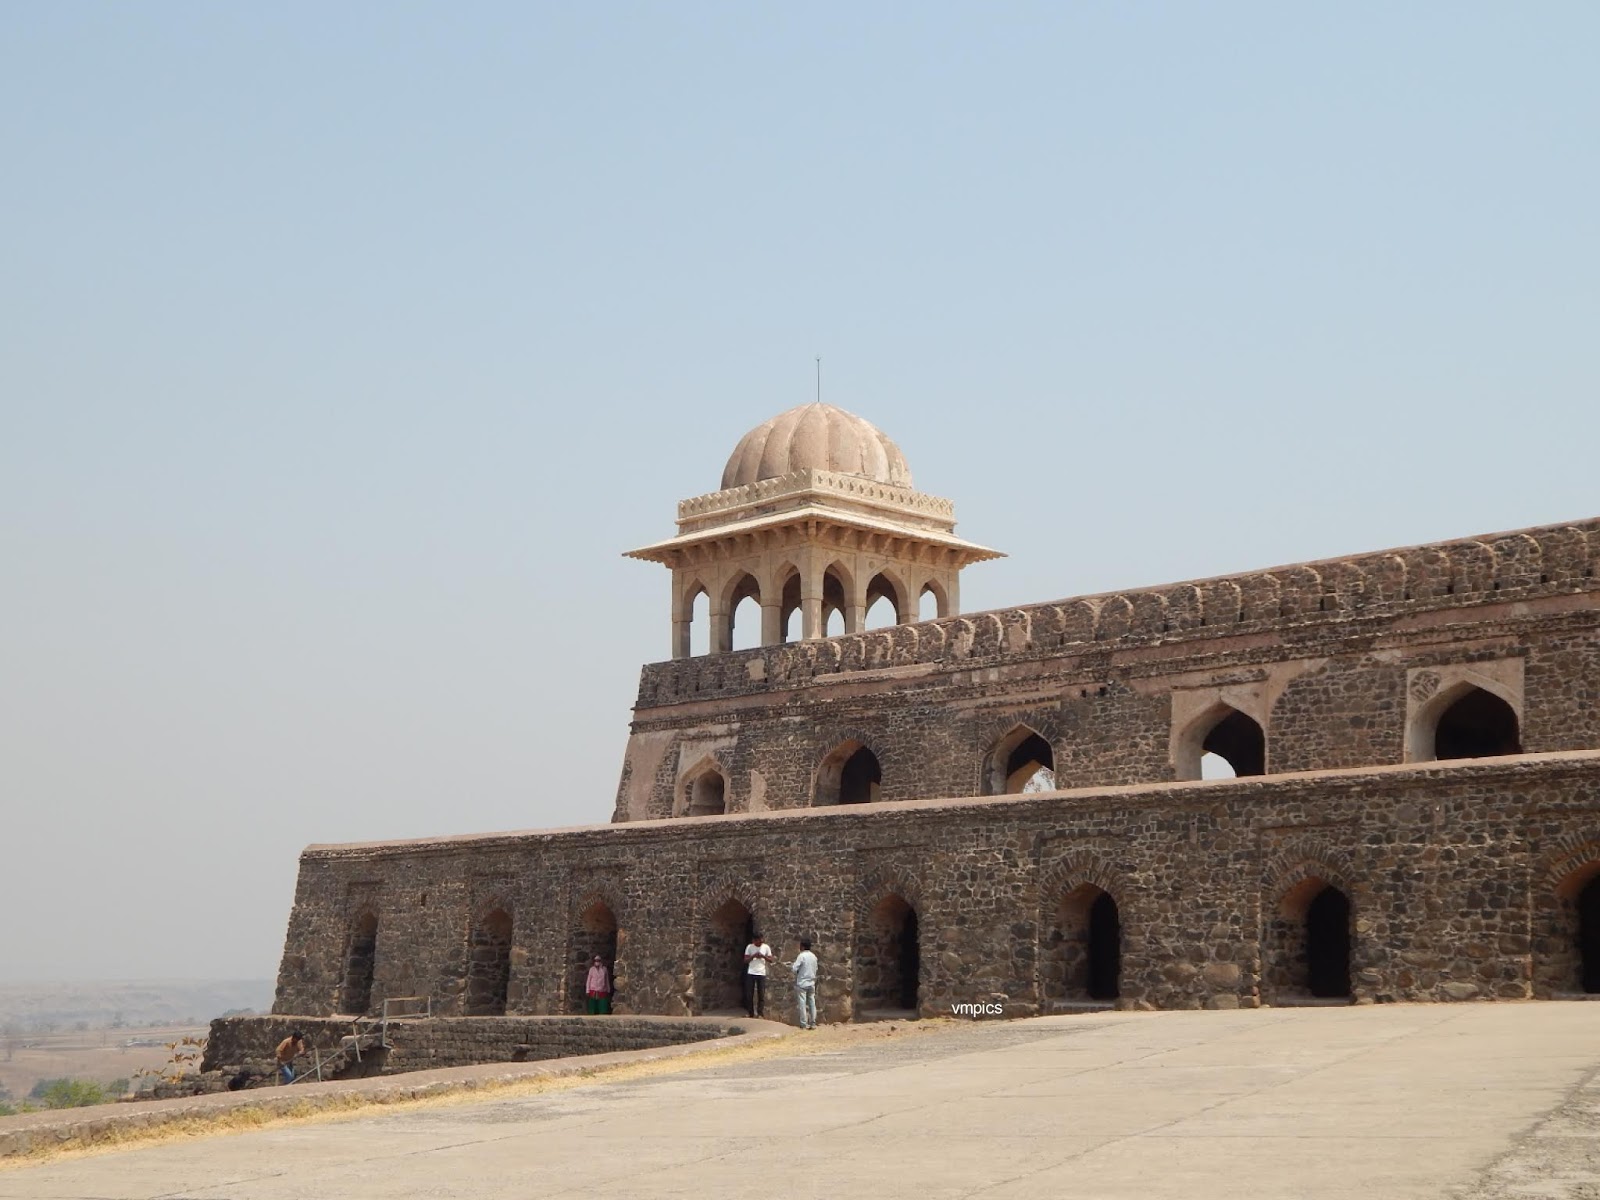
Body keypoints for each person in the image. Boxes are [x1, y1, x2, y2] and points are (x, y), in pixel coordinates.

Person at [789, 938, 819, 1029]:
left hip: (802, 982)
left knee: (802, 1003)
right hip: (811, 982)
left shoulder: (801, 956)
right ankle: (813, 1022)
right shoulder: (814, 956)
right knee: (812, 1002)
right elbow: (816, 969)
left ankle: (803, 1023)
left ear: (802, 946)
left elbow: (794, 968)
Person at [743, 930, 774, 1018]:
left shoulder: (766, 947)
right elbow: (745, 960)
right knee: (749, 994)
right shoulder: (749, 947)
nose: (759, 942)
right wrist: (753, 956)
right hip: (751, 972)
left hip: (761, 973)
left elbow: (771, 960)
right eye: (757, 941)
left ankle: (760, 1013)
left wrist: (763, 956)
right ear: (754, 940)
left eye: (761, 940)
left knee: (761, 994)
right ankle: (750, 1013)